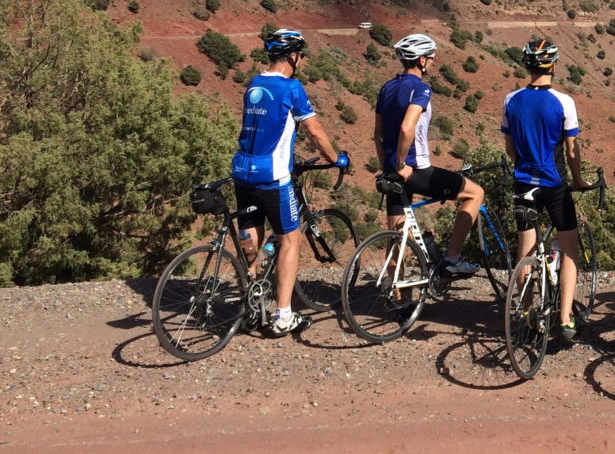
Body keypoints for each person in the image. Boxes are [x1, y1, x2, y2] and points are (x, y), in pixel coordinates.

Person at [231, 28, 349, 336]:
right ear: (293, 56)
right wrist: (335, 157)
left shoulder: (254, 84)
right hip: (273, 176)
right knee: (290, 239)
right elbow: (314, 131)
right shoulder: (291, 88)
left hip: (243, 171)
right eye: (302, 55)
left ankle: (251, 306)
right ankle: (283, 315)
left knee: (251, 232)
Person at [373, 33, 485, 278]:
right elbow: (407, 127)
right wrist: (403, 164)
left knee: (397, 239)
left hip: (392, 172)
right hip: (416, 169)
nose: (433, 62)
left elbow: (377, 135)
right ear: (421, 61)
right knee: (475, 193)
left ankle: (401, 304)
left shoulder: (386, 88)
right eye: (431, 58)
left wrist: (389, 167)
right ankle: (453, 258)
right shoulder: (421, 89)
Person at [501, 36, 588, 345]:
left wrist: (525, 168)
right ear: (553, 65)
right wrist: (577, 180)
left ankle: (525, 314)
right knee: (570, 248)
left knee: (525, 249)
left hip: (523, 182)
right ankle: (564, 318)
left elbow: (510, 148)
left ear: (527, 65)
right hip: (554, 185)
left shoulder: (511, 100)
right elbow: (572, 151)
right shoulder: (564, 102)